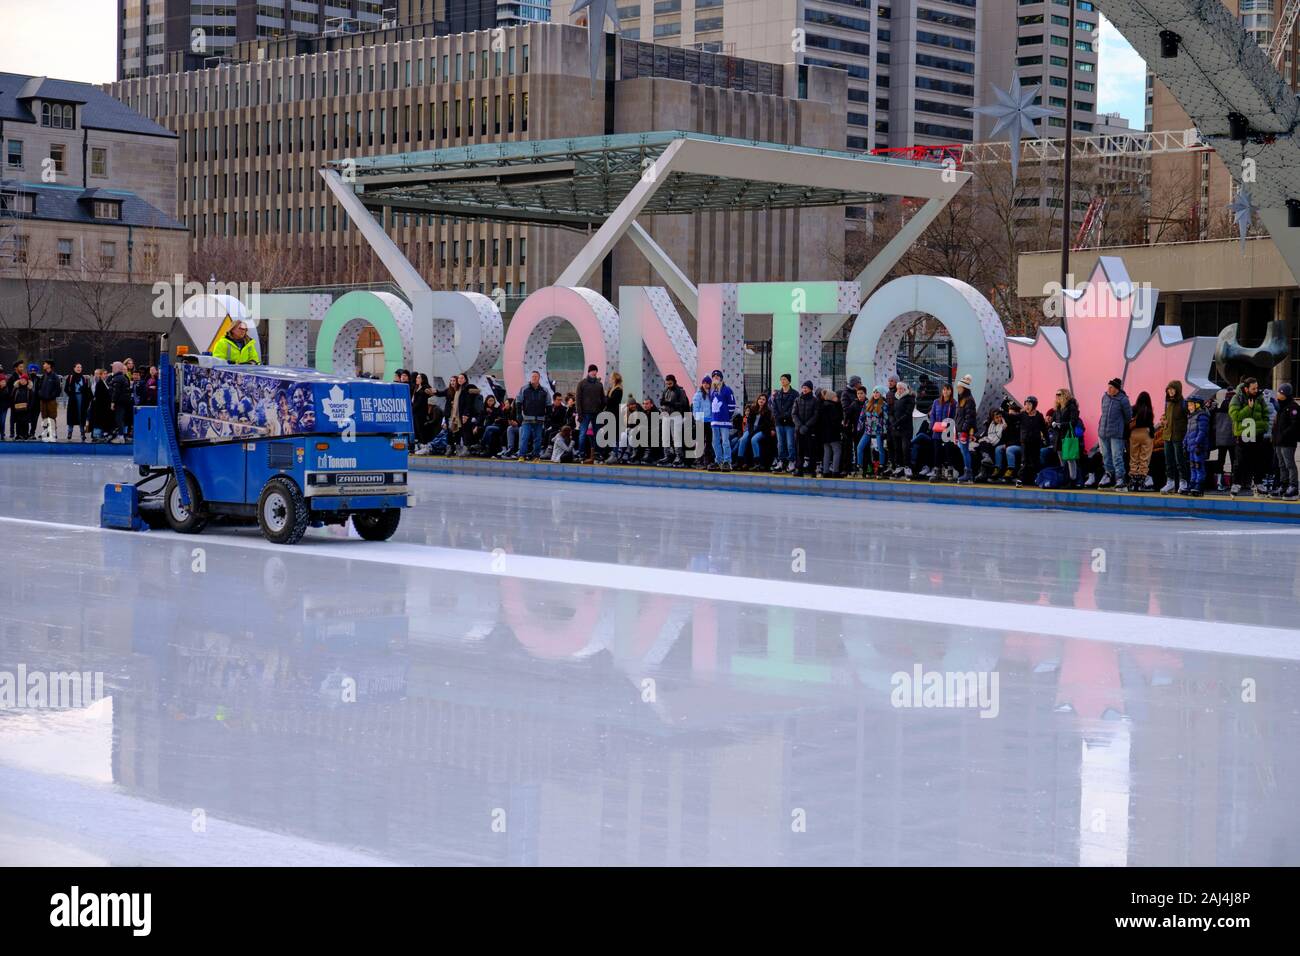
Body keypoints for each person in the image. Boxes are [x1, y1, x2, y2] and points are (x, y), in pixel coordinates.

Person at [1229, 377, 1270, 495]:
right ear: (1246, 389)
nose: (1256, 390)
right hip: (1243, 434)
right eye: (1253, 388)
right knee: (1240, 460)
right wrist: (1249, 408)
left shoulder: (1260, 397)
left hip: (1257, 434)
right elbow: (1235, 416)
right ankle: (1236, 483)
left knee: (1258, 460)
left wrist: (1264, 426)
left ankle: (1258, 482)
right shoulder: (1237, 398)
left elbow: (1266, 413)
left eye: (1257, 388)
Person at [1097, 378, 1132, 489]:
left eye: (1111, 387)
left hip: (1116, 433)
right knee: (1106, 456)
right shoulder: (1105, 397)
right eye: (1108, 387)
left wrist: (1119, 425)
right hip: (1103, 432)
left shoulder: (1123, 400)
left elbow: (1128, 417)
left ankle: (1120, 478)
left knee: (1117, 456)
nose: (1108, 389)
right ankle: (1109, 475)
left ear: (1116, 389)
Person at [915, 383, 955, 479]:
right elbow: (932, 415)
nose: (946, 391)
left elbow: (954, 416)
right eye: (944, 389)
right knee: (936, 450)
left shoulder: (953, 403)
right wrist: (933, 425)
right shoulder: (936, 402)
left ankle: (949, 470)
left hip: (948, 430)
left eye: (948, 390)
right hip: (937, 430)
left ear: (951, 391)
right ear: (942, 391)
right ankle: (936, 470)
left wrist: (949, 425)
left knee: (947, 450)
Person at [1158, 381, 1189, 494]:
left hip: (1178, 436)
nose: (1170, 391)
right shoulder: (1167, 402)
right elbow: (1165, 415)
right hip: (1167, 435)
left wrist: (1185, 433)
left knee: (1180, 460)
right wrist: (1163, 420)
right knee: (1169, 461)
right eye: (1168, 389)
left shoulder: (1183, 403)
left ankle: (1183, 482)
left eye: (1172, 389)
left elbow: (1188, 418)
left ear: (1177, 390)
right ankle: (1170, 483)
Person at [1270, 382, 1299, 499]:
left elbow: (1295, 425)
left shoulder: (1293, 407)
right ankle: (1284, 485)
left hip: (1287, 442)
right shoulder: (1281, 407)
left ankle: (1293, 486)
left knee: (1289, 464)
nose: (1277, 393)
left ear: (1285, 394)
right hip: (1278, 442)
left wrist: (1283, 435)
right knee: (1281, 465)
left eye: (1280, 392)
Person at [1050, 387, 1081, 488]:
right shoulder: (1058, 408)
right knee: (1062, 460)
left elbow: (1073, 422)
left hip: (1067, 437)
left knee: (1070, 459)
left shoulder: (1071, 407)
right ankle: (1065, 478)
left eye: (1059, 394)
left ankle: (1073, 480)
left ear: (1065, 395)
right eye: (1056, 395)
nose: (1057, 396)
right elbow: (1053, 420)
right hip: (1059, 437)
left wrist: (1060, 424)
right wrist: (1052, 423)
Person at [1013, 396, 1047, 487]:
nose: (1027, 406)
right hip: (1025, 442)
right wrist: (1003, 412)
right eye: (1026, 404)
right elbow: (1011, 417)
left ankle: (1036, 479)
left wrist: (1047, 440)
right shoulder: (1022, 415)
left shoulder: (1039, 416)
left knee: (1035, 461)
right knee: (1024, 461)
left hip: (1036, 442)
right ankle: (1020, 480)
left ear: (1034, 405)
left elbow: (1044, 429)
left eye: (1029, 404)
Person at [658, 373, 691, 467]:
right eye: (667, 384)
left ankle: (679, 456)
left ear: (674, 382)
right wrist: (663, 404)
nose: (668, 385)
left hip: (676, 415)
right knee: (665, 436)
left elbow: (684, 403)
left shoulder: (680, 391)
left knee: (676, 436)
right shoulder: (666, 390)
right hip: (666, 415)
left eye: (670, 384)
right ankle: (667, 456)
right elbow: (662, 401)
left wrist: (671, 403)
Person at [516, 371, 549, 461]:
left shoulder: (544, 390)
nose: (534, 378)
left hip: (540, 418)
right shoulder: (524, 389)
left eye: (536, 376)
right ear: (530, 378)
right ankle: (522, 455)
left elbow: (548, 404)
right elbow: (518, 402)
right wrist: (519, 414)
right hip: (527, 418)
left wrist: (548, 417)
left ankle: (536, 456)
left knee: (538, 439)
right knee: (525, 437)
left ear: (539, 378)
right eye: (533, 376)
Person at [575, 364, 606, 463]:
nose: (594, 372)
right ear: (588, 372)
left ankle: (597, 454)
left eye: (595, 371)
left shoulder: (599, 384)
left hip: (596, 413)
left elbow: (603, 398)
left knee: (598, 434)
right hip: (585, 413)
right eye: (592, 370)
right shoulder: (582, 384)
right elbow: (578, 399)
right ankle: (581, 453)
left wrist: (601, 409)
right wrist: (580, 413)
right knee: (582, 434)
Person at [707, 369, 737, 471]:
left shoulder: (727, 390)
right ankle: (718, 461)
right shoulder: (712, 391)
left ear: (721, 378)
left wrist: (727, 416)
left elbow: (732, 405)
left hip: (724, 420)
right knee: (715, 442)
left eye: (717, 376)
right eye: (714, 377)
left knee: (725, 441)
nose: (715, 378)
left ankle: (727, 462)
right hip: (714, 421)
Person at [735, 394, 773, 469]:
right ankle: (739, 462)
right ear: (757, 400)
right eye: (760, 399)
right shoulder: (753, 409)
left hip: (762, 430)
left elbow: (766, 425)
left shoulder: (768, 411)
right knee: (743, 439)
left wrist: (755, 431)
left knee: (754, 439)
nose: (761, 400)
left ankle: (757, 462)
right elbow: (749, 422)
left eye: (763, 399)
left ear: (766, 401)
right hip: (751, 429)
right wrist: (751, 431)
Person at [1185, 393, 1212, 498]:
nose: (1189, 407)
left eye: (1191, 405)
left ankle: (1199, 485)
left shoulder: (1202, 416)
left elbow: (1202, 431)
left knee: (1199, 466)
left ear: (1197, 405)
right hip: (1191, 446)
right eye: (1188, 405)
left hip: (1198, 447)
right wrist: (1185, 442)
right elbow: (1188, 432)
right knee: (1192, 466)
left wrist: (1197, 443)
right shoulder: (1191, 417)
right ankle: (1192, 482)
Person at [1128, 390, 1156, 491]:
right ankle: (1141, 483)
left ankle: (1133, 482)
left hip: (1134, 433)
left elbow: (1128, 421)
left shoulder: (1133, 408)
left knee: (1134, 457)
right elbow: (1151, 425)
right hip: (1146, 433)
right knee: (1144, 458)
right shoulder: (1149, 410)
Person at [791, 380, 820, 477]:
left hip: (810, 429)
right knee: (799, 450)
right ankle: (799, 469)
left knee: (812, 450)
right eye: (803, 387)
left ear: (810, 389)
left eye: (806, 388)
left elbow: (816, 415)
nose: (804, 389)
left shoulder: (815, 400)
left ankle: (812, 470)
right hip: (799, 430)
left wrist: (807, 426)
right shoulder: (797, 400)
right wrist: (800, 426)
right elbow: (794, 414)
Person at [954, 374, 979, 483]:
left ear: (964, 388)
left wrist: (964, 431)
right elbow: (959, 416)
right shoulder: (962, 399)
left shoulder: (969, 400)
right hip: (960, 430)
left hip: (964, 431)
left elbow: (970, 417)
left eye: (959, 387)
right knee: (964, 451)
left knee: (965, 452)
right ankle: (967, 473)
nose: (958, 389)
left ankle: (968, 473)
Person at [858, 388, 888, 478]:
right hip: (868, 430)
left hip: (879, 430)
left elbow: (886, 419)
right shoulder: (867, 403)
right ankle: (860, 466)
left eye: (877, 392)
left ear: (881, 394)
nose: (875, 394)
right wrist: (859, 427)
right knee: (859, 447)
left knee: (880, 449)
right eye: (874, 392)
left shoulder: (884, 404)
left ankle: (881, 468)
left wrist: (885, 431)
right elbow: (861, 416)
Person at [888, 381, 916, 478]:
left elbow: (907, 414)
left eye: (901, 388)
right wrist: (893, 423)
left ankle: (907, 467)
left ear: (905, 389)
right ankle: (899, 466)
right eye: (898, 388)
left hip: (906, 428)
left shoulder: (910, 399)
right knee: (897, 448)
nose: (899, 390)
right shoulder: (894, 398)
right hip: (895, 429)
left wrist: (897, 423)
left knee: (905, 448)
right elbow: (890, 412)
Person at [770, 374, 797, 472]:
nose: (782, 381)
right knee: (780, 443)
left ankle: (791, 462)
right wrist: (779, 417)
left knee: (790, 443)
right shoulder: (777, 394)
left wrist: (785, 417)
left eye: (784, 379)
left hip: (789, 423)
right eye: (781, 379)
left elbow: (793, 408)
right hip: (779, 423)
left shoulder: (794, 394)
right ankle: (781, 461)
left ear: (789, 381)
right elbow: (774, 408)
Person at [817, 388, 845, 477]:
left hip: (824, 433)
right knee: (837, 450)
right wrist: (841, 428)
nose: (837, 398)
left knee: (827, 452)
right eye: (835, 396)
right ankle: (835, 471)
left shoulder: (822, 406)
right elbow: (835, 421)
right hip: (833, 432)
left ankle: (825, 471)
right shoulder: (832, 406)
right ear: (831, 397)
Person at [973, 408, 1006, 482]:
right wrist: (975, 438)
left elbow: (1005, 438)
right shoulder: (990, 425)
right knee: (978, 446)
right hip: (990, 444)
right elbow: (984, 435)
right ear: (993, 418)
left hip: (997, 444)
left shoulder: (1004, 426)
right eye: (997, 417)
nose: (999, 419)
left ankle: (983, 473)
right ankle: (981, 472)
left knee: (985, 445)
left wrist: (1004, 426)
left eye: (1000, 417)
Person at [63, 363, 92, 441]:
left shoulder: (84, 378)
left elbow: (87, 390)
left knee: (81, 415)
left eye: (80, 367)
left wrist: (84, 391)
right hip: (73, 399)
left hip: (81, 399)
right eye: (77, 367)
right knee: (71, 416)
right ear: (74, 368)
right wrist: (71, 394)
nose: (79, 368)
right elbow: (66, 388)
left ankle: (82, 433)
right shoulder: (70, 377)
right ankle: (70, 432)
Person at [36, 360, 62, 442]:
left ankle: (53, 433)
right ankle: (46, 432)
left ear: (49, 365)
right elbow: (39, 387)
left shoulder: (55, 376)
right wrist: (40, 394)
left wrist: (51, 396)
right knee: (44, 417)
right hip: (43, 400)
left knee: (52, 416)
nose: (43, 365)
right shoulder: (44, 376)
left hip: (51, 401)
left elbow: (58, 389)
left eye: (45, 364)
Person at [107, 361, 132, 443]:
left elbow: (116, 391)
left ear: (116, 368)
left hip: (119, 402)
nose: (112, 369)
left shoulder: (117, 378)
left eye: (113, 367)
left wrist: (113, 402)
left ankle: (121, 437)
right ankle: (120, 435)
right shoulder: (122, 377)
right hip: (123, 402)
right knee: (120, 418)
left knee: (119, 418)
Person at [692, 377, 713, 469]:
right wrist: (699, 420)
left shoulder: (712, 394)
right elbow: (695, 409)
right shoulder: (698, 395)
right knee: (700, 442)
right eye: (704, 382)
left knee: (709, 442)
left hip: (710, 421)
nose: (705, 384)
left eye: (707, 383)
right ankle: (698, 461)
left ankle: (707, 460)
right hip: (701, 420)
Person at [90, 368, 113, 441]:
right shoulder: (100, 383)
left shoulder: (104, 382)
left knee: (102, 421)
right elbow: (98, 395)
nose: (105, 375)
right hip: (100, 407)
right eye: (104, 374)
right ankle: (96, 435)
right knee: (98, 421)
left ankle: (101, 434)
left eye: (106, 374)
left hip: (104, 406)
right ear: (100, 375)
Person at [9, 373, 34, 440]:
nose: (23, 381)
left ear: (27, 381)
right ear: (19, 380)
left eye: (24, 380)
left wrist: (29, 407)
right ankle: (18, 434)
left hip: (26, 409)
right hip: (17, 409)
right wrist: (13, 407)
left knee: (25, 422)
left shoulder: (29, 390)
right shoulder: (16, 388)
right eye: (22, 380)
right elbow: (12, 398)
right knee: (18, 422)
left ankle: (25, 434)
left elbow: (31, 400)